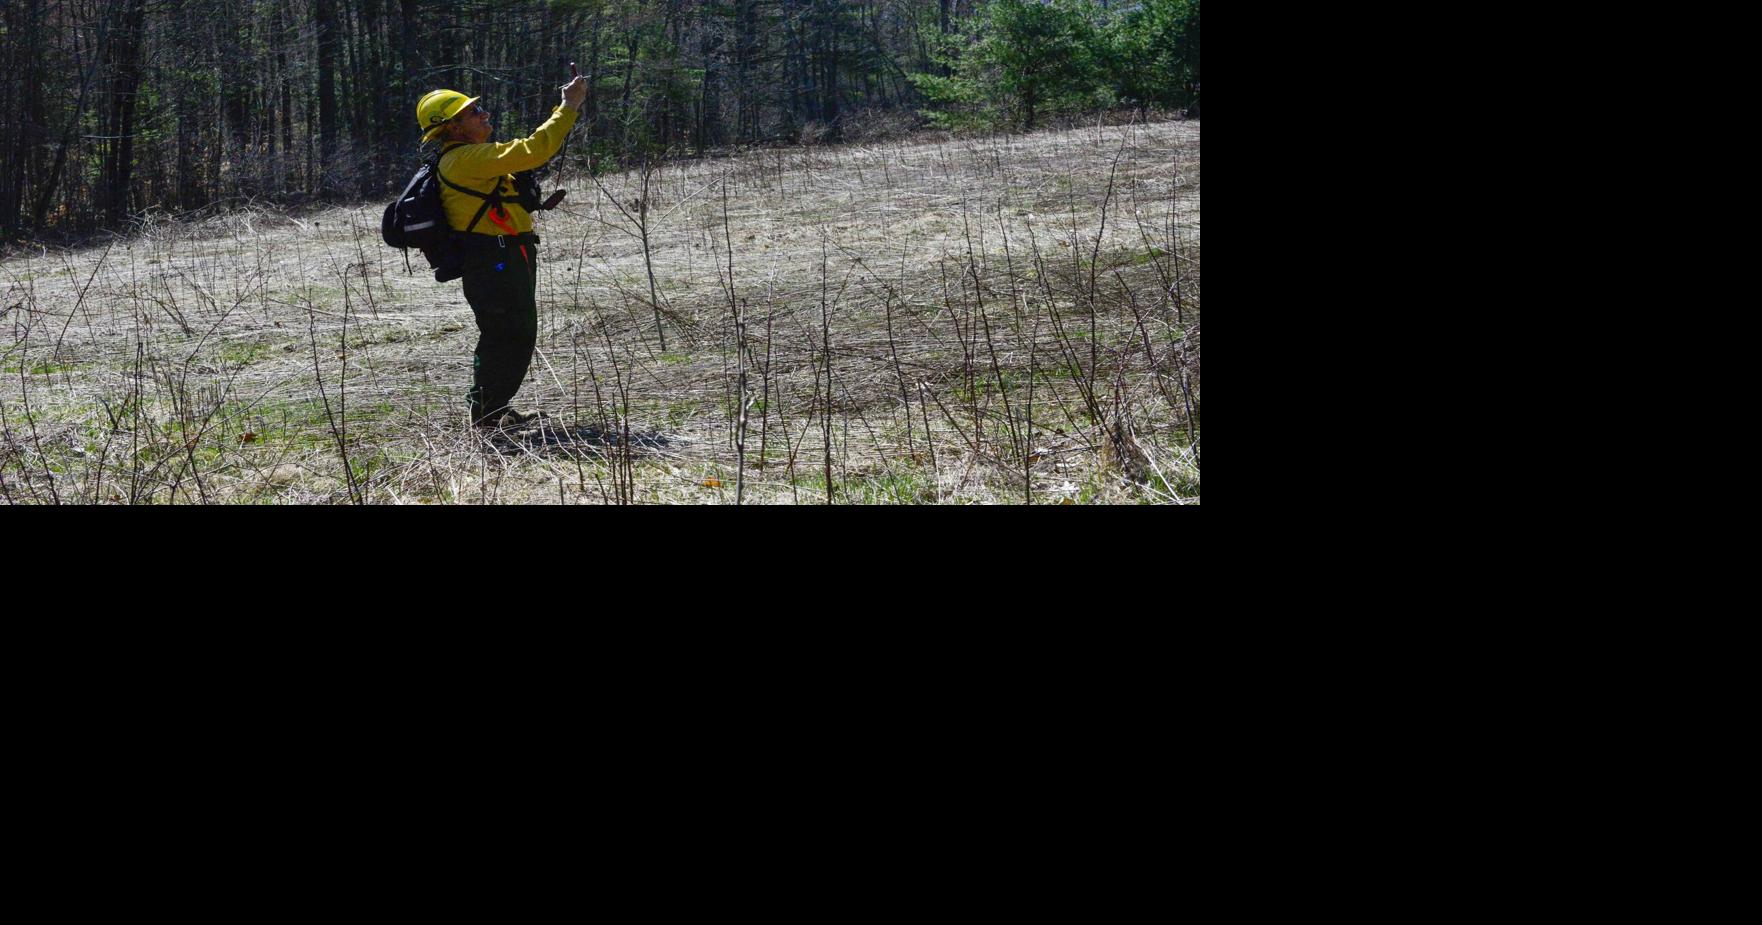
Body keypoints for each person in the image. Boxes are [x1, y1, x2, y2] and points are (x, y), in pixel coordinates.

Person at [415, 76, 588, 430]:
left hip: (505, 256)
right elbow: (534, 149)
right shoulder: (464, 159)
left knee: (513, 333)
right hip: (493, 260)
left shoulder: (472, 157)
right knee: (506, 334)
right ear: (453, 127)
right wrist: (568, 107)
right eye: (473, 111)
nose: (484, 113)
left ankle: (493, 410)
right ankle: (486, 415)